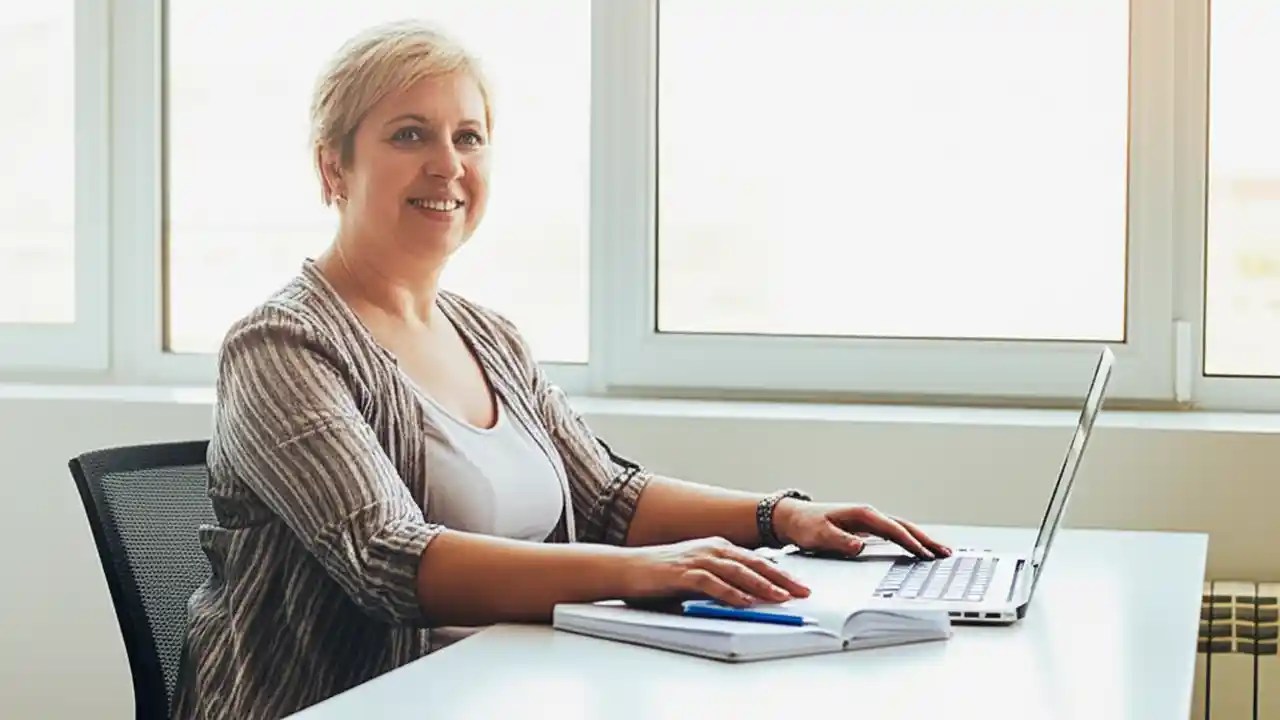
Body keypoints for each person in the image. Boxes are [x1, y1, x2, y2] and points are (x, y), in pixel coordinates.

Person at [171, 19, 951, 720]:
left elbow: (607, 497)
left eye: (468, 137)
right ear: (332, 169)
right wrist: (646, 573)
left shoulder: (488, 335)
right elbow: (389, 559)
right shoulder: (281, 345)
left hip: (509, 690)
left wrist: (780, 518)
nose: (448, 165)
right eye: (410, 136)